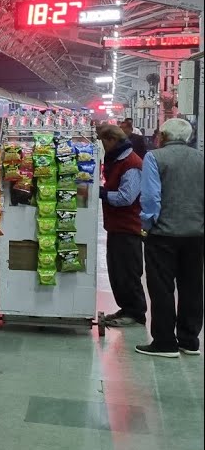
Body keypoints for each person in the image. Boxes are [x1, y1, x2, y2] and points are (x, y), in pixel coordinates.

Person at [136, 118, 204, 358]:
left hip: (162, 234)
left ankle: (165, 342)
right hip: (195, 235)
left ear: (163, 136)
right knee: (192, 287)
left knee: (162, 287)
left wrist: (147, 225)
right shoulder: (201, 158)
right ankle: (189, 340)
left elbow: (151, 198)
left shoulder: (154, 158)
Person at [96, 124, 146, 328]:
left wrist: (101, 193)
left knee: (128, 272)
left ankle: (135, 313)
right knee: (118, 272)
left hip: (128, 228)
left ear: (112, 140)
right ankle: (126, 308)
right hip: (117, 226)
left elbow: (126, 197)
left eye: (103, 142)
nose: (103, 147)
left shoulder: (131, 163)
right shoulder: (118, 160)